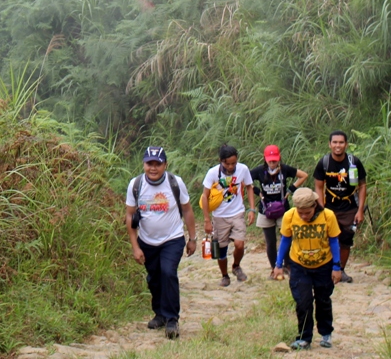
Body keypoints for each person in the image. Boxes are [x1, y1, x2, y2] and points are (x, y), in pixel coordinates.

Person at [125, 146, 196, 340]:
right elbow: (130, 215)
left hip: (172, 238)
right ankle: (159, 314)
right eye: (149, 163)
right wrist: (135, 246)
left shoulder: (175, 183)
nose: (153, 168)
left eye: (158, 164)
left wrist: (192, 238)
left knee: (168, 272)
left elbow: (187, 210)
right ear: (143, 164)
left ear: (165, 165)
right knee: (154, 278)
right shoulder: (136, 185)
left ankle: (172, 319)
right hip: (147, 241)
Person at [274, 187, 343, 350]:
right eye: (301, 213)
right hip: (299, 265)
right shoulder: (289, 216)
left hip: (323, 265)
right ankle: (304, 338)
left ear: (315, 206)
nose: (304, 216)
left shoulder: (328, 216)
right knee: (303, 302)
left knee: (323, 300)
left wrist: (337, 266)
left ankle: (326, 333)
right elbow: (285, 240)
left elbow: (334, 241)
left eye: (307, 212)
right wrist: (278, 265)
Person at [313, 130, 367, 283]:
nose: (338, 145)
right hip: (330, 207)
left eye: (341, 142)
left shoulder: (354, 162)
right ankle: (326, 269)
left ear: (346, 144)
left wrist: (360, 210)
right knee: (326, 239)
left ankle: (340, 270)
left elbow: (362, 186)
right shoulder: (324, 163)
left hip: (350, 207)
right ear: (330, 144)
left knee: (346, 239)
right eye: (335, 142)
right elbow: (318, 187)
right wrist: (321, 210)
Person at [250, 145, 308, 279]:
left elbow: (303, 175)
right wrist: (258, 192)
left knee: (286, 238)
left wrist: (290, 190)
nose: (272, 163)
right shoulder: (259, 171)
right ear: (265, 159)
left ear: (279, 158)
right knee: (270, 242)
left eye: (275, 160)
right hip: (266, 210)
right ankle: (274, 268)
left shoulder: (284, 169)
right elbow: (244, 180)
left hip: (283, 210)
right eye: (270, 160)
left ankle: (288, 265)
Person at [201, 144, 254, 287]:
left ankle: (236, 266)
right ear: (220, 161)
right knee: (221, 249)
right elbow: (205, 196)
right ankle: (225, 275)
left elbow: (249, 187)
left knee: (239, 244)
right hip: (219, 216)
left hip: (237, 213)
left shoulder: (243, 169)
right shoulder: (212, 173)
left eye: (233, 163)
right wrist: (207, 220)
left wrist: (252, 209)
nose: (230, 167)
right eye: (227, 164)